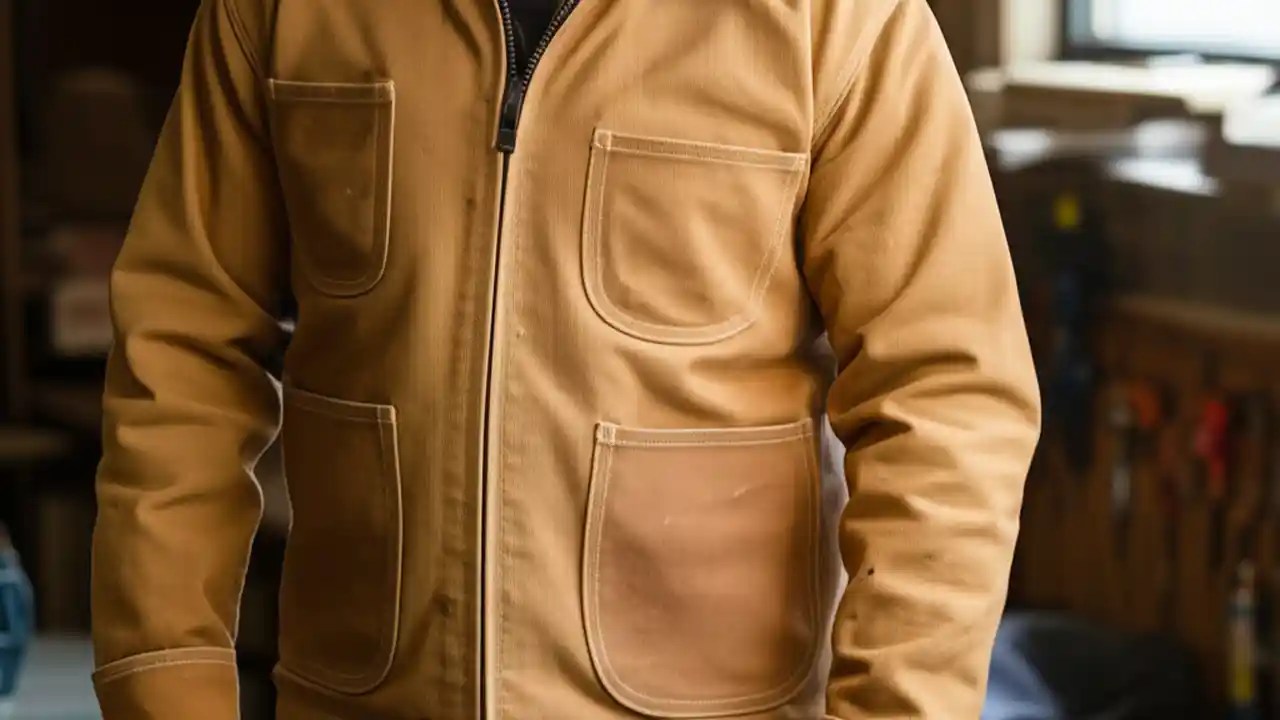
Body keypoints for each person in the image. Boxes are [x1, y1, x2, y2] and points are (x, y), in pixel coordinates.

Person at [90, 0, 1041, 718]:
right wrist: (164, 681)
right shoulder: (281, 11)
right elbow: (183, 352)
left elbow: (949, 401)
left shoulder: (841, 18)